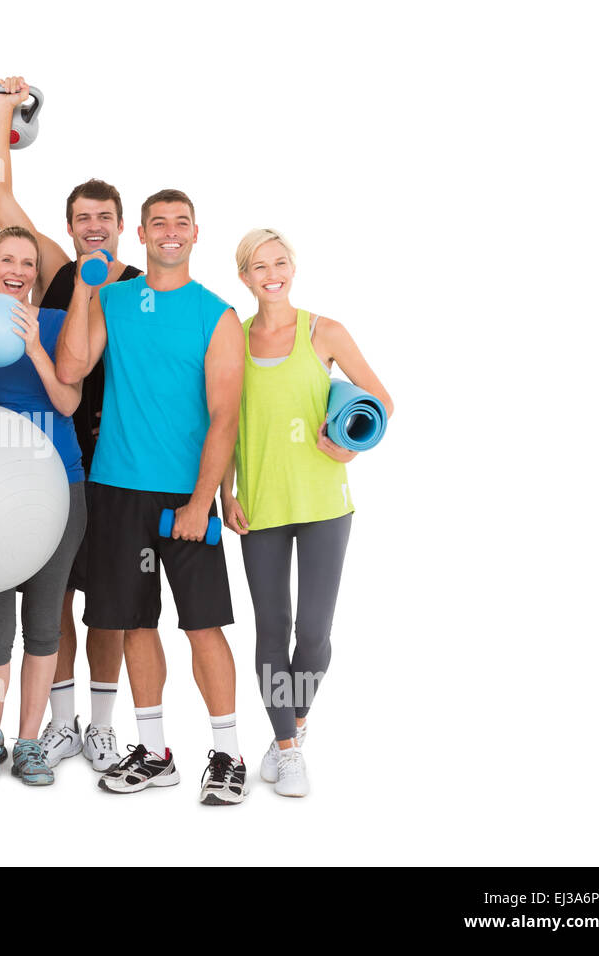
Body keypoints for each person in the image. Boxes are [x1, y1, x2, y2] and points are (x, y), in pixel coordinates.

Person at [56, 189, 248, 804]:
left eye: (181, 223)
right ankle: (155, 750)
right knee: (135, 623)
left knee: (203, 624)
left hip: (183, 496)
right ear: (139, 233)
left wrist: (201, 501)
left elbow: (224, 419)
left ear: (196, 233)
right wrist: (87, 286)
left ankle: (227, 753)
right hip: (114, 489)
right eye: (158, 223)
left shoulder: (214, 314)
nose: (170, 232)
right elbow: (71, 369)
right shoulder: (112, 299)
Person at [0, 75, 142, 770]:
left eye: (104, 217)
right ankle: (61, 724)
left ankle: (103, 725)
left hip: (122, 465)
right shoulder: (51, 267)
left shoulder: (142, 283)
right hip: (54, 461)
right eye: (83, 218)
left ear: (120, 225)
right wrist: (2, 112)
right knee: (53, 599)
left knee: (104, 604)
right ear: (70, 225)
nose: (94, 227)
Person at [221, 228, 394, 797]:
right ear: (244, 277)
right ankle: (290, 751)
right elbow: (219, 426)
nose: (272, 273)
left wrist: (351, 447)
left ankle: (287, 729)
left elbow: (383, 400)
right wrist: (227, 491)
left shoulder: (325, 331)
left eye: (280, 262)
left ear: (291, 268)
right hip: (261, 506)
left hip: (325, 504)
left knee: (314, 633)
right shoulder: (234, 340)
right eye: (258, 266)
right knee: (272, 630)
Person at [0, 226, 86, 786]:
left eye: (28, 263)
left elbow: (68, 403)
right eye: (8, 259)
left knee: (45, 621)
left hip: (60, 486)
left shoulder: (52, 326)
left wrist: (33, 349)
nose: (19, 270)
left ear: (34, 274)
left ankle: (29, 742)